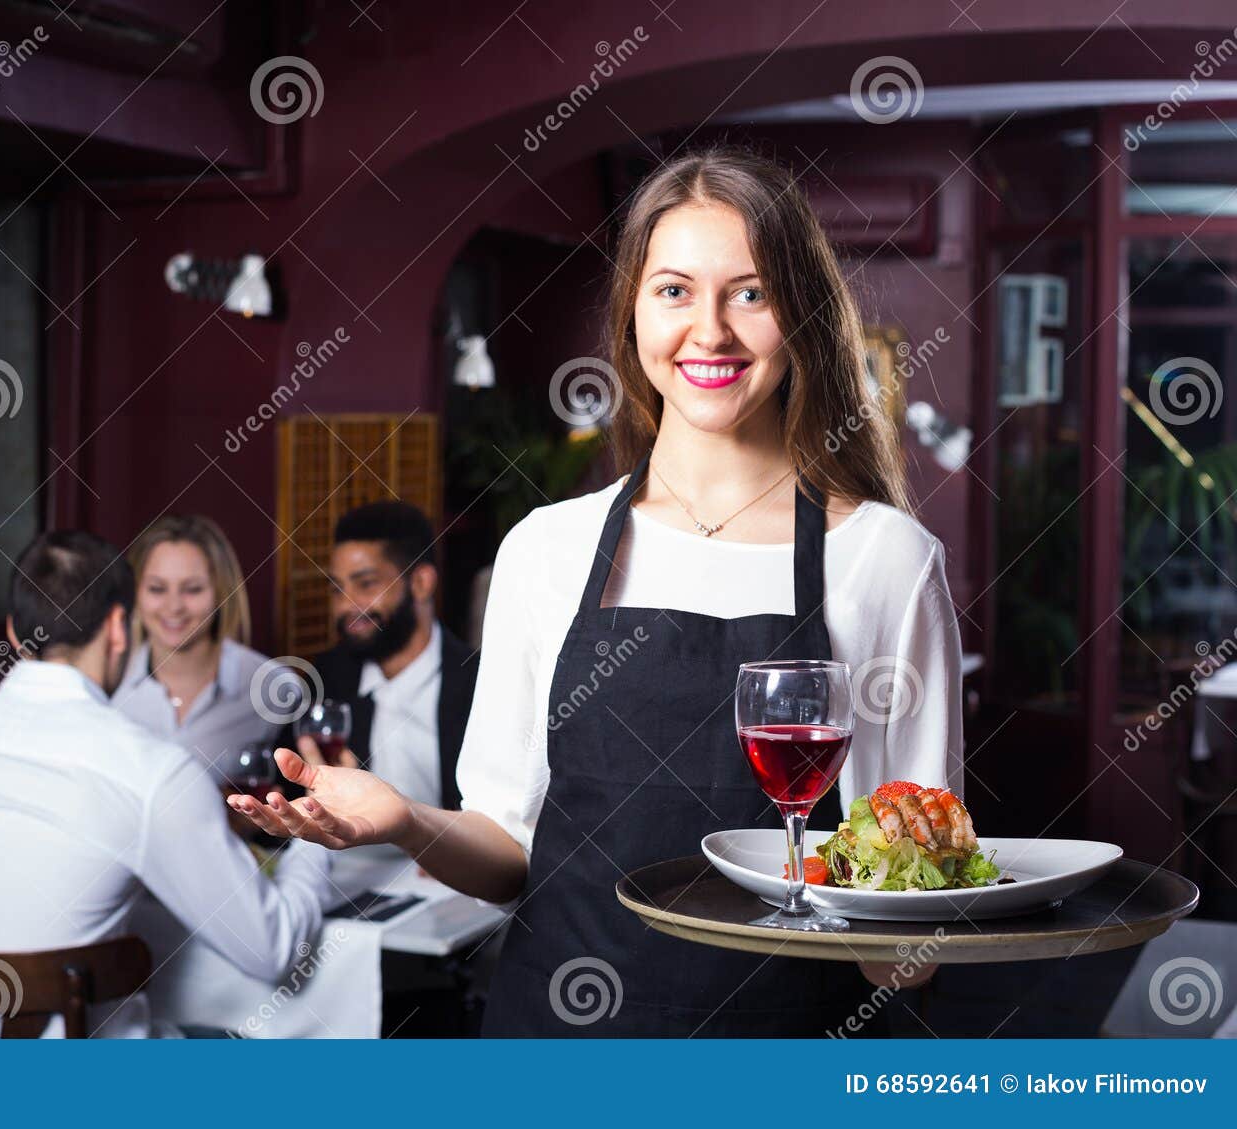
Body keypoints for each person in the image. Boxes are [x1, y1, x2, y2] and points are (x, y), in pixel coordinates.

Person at [231, 145, 964, 1036]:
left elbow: (910, 910)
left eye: (751, 291)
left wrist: (931, 935)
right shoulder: (548, 549)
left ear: (801, 314)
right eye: (674, 291)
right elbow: (508, 851)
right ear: (631, 315)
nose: (711, 331)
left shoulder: (885, 559)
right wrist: (406, 821)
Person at [0, 530, 331, 1037]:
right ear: (119, 628)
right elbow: (274, 950)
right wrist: (317, 826)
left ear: (15, 631)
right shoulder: (153, 772)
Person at [299, 501, 478, 811]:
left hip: (448, 857)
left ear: (421, 583)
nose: (346, 606)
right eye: (337, 588)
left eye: (366, 584)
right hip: (338, 857)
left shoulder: (478, 682)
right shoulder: (327, 676)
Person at [112, 514, 293, 779]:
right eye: (157, 588)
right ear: (135, 593)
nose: (174, 607)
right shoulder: (108, 687)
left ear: (221, 592)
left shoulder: (274, 687)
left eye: (193, 589)